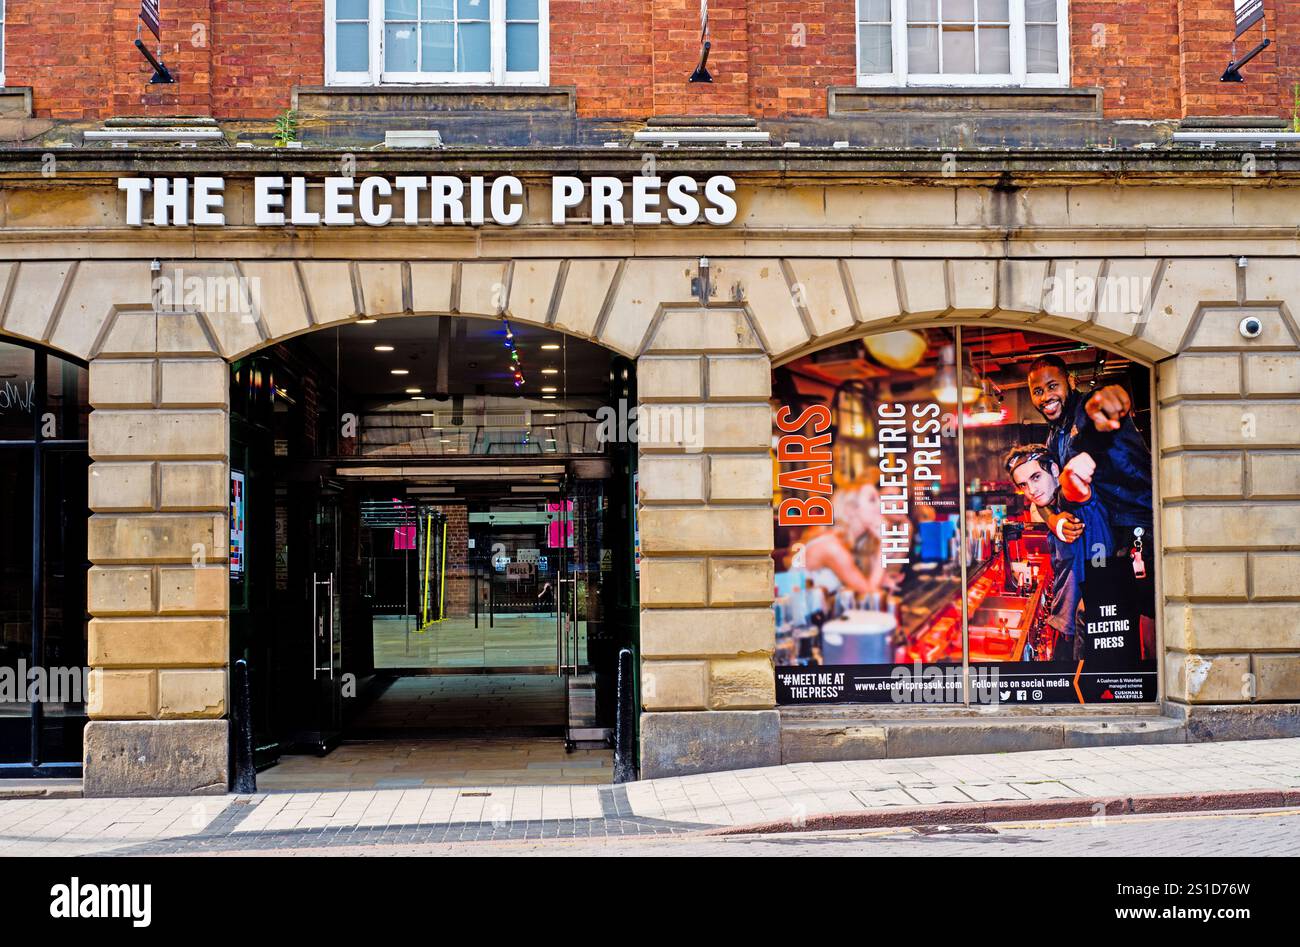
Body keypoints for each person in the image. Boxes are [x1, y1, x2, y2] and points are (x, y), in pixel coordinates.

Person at [1026, 355, 1156, 659]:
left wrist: (1111, 404)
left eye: (1052, 386)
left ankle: (1150, 685)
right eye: (1038, 391)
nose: (1046, 397)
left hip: (1135, 529)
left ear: (1070, 382)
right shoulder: (1054, 434)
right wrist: (1055, 520)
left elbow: (1110, 404)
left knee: (1144, 617)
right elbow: (1044, 498)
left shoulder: (1086, 411)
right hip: (1102, 539)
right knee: (1108, 623)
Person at [1005, 444, 1113, 663]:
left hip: (1085, 626)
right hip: (1068, 622)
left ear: (1055, 470)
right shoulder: (1053, 510)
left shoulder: (1075, 504)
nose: (1031, 491)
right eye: (1023, 485)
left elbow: (1079, 493)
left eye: (1036, 478)